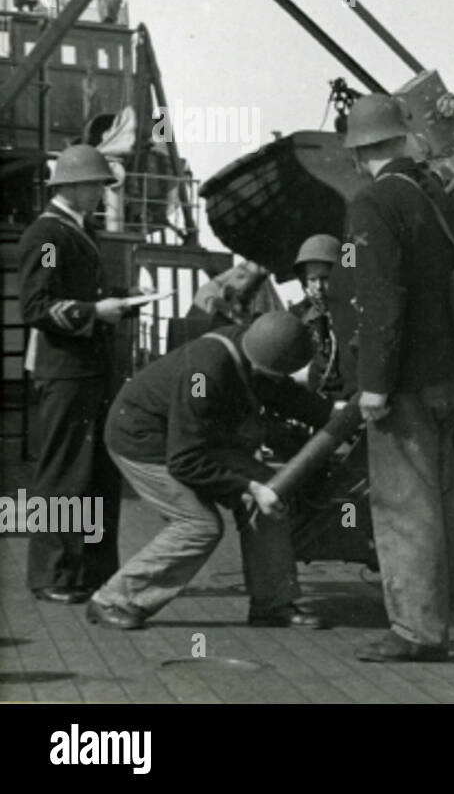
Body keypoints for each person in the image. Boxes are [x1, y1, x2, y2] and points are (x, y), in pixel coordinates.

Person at [86, 312, 331, 630]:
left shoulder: (254, 343)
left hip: (195, 438)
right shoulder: (203, 374)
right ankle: (113, 600)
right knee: (199, 525)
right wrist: (249, 486)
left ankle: (273, 605)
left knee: (275, 491)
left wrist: (336, 413)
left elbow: (280, 391)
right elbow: (184, 460)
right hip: (144, 443)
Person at [344, 93, 454, 662]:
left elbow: (381, 297)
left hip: (405, 381)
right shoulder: (432, 195)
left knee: (403, 504)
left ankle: (416, 630)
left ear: (360, 148)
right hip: (447, 375)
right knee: (441, 502)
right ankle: (449, 624)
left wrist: (374, 382)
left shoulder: (373, 203)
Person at [18, 145, 132, 604]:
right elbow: (36, 305)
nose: (102, 193)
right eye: (97, 185)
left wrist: (119, 301)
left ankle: (92, 570)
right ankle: (52, 575)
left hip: (88, 371)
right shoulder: (48, 237)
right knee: (65, 471)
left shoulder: (73, 233)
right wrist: (94, 311)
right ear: (72, 186)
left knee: (97, 471)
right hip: (66, 372)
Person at [287, 234, 345, 400]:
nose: (318, 287)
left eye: (325, 278)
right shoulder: (300, 317)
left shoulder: (358, 315)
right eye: (312, 279)